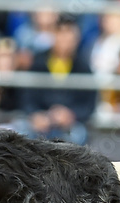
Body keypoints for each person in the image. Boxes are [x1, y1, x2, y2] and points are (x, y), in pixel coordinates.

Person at [20, 15, 96, 144]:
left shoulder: (83, 66)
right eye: (61, 33)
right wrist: (36, 115)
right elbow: (26, 97)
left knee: (77, 136)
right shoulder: (38, 62)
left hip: (71, 125)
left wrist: (71, 115)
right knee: (22, 134)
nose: (65, 39)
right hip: (41, 122)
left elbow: (88, 104)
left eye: (69, 34)